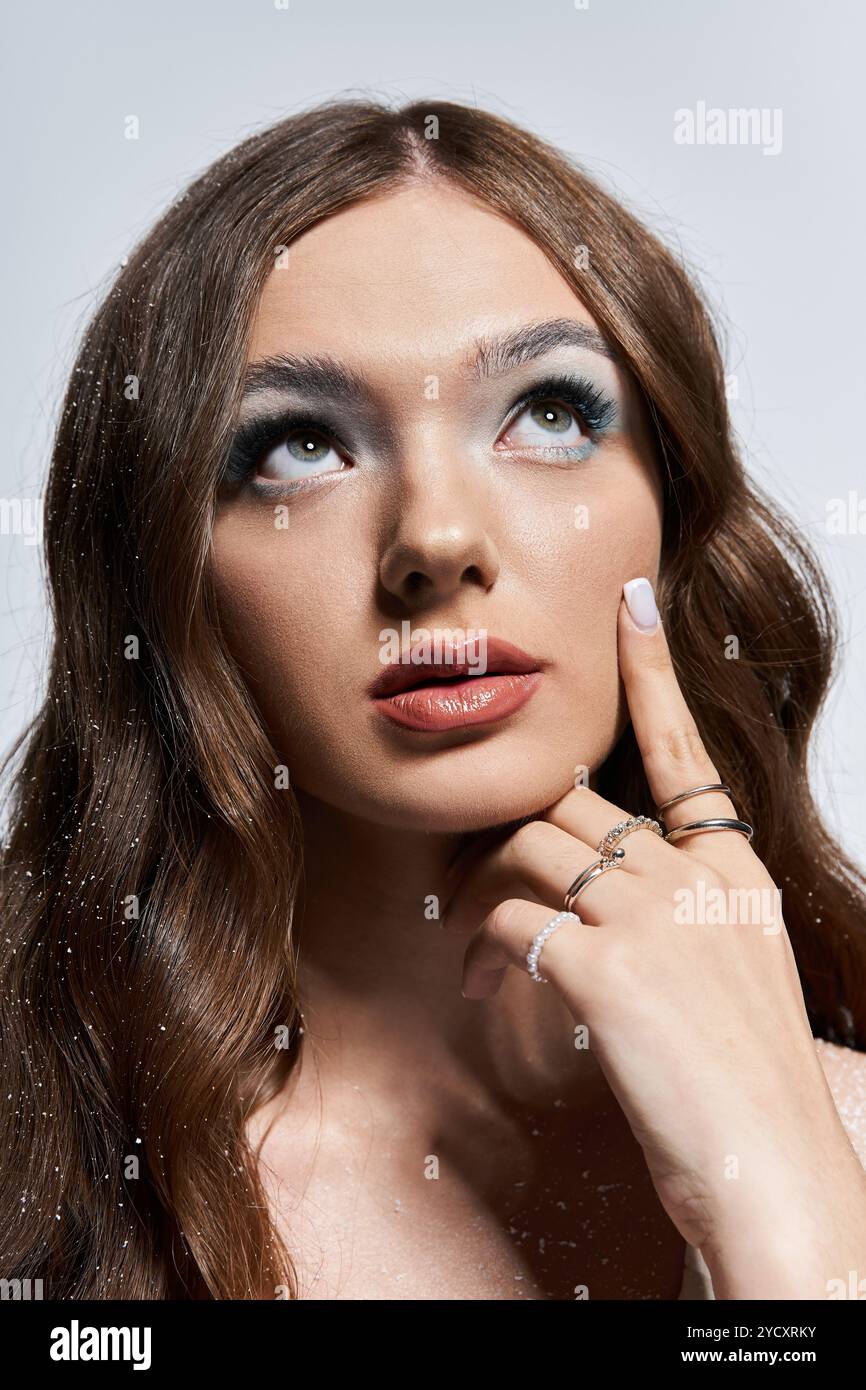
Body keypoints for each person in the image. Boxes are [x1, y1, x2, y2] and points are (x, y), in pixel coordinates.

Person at [2, 99, 865, 1300]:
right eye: (297, 445)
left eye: (548, 414)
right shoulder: (34, 1187)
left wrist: (790, 1209)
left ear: (669, 513)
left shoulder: (841, 1141)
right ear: (165, 568)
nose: (435, 540)